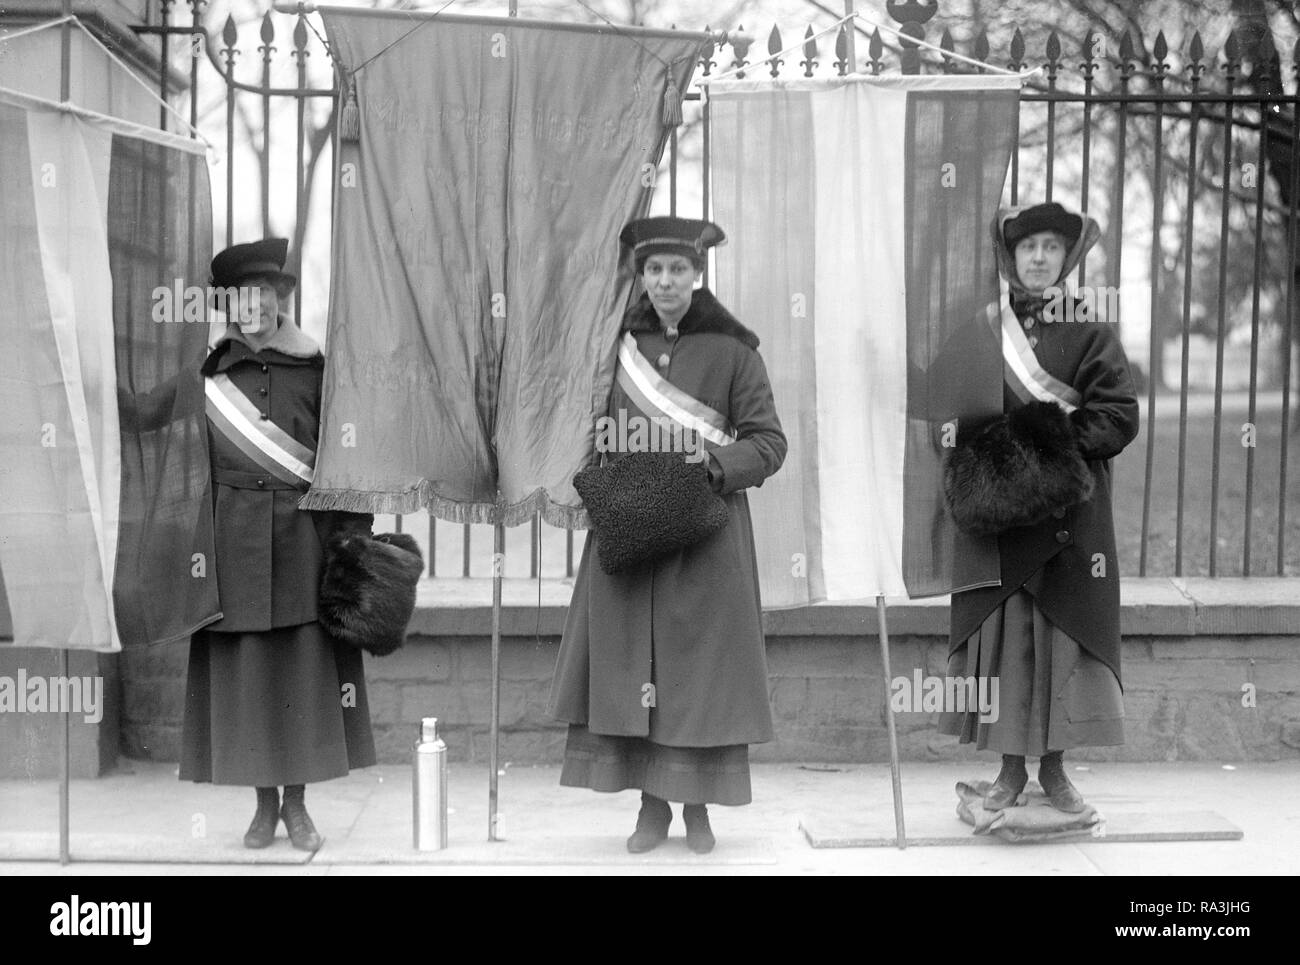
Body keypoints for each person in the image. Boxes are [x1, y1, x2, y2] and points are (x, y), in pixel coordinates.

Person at [548, 217, 787, 854]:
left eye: (676, 270)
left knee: (698, 672)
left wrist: (713, 468)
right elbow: (581, 426)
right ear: (641, 275)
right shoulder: (613, 347)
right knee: (638, 666)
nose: (664, 281)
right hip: (629, 530)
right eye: (654, 270)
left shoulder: (736, 353)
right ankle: (652, 809)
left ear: (696, 275)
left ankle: (699, 809)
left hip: (707, 533)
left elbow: (769, 443)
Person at [142, 238, 376, 850]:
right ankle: (262, 807)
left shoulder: (318, 372)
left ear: (281, 301)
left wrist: (350, 541)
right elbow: (143, 415)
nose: (255, 308)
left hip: (304, 542)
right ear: (229, 307)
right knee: (248, 680)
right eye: (243, 298)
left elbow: (346, 459)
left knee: (300, 678)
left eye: (266, 296)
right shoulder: (207, 376)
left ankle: (298, 807)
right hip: (230, 547)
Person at [938, 202, 1139, 813]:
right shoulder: (976, 331)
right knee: (1009, 646)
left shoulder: (1092, 333)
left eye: (1052, 247)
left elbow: (1118, 418)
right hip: (1001, 521)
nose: (1039, 258)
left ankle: (1054, 771)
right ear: (1010, 257)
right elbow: (946, 413)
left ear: (1068, 258)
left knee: (1058, 641)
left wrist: (1038, 450)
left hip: (1067, 523)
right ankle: (1008, 772)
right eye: (1028, 247)